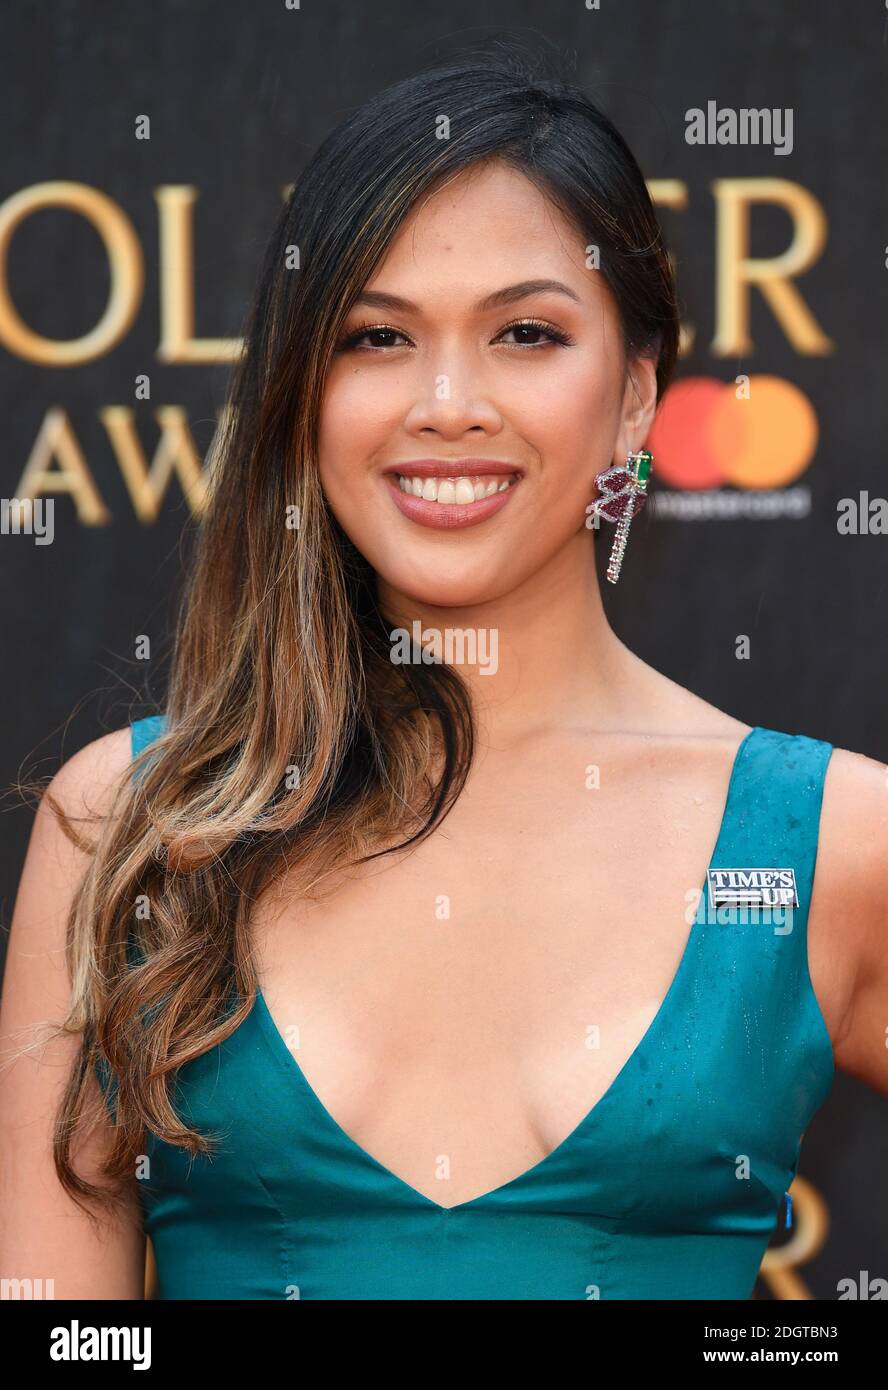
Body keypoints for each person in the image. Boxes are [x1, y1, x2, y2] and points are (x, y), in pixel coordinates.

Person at [1, 43, 886, 1302]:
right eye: (377, 336)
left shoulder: (834, 841)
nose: (448, 402)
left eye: (527, 332)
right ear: (305, 392)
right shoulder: (128, 828)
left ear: (636, 396)